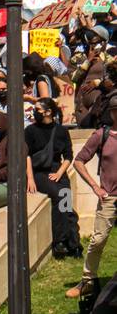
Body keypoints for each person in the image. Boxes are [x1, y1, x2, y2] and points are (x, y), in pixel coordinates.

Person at [68, 107, 117, 298]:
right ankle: (88, 281)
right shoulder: (101, 135)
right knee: (97, 240)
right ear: (112, 113)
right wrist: (95, 187)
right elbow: (79, 161)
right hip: (109, 197)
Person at [26, 98, 82, 259]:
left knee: (66, 201)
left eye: (37, 109)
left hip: (57, 170)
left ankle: (71, 243)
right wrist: (30, 178)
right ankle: (62, 241)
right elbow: (27, 155)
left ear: (48, 112)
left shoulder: (61, 131)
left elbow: (68, 156)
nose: (34, 111)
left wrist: (59, 173)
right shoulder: (30, 131)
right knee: (60, 196)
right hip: (39, 172)